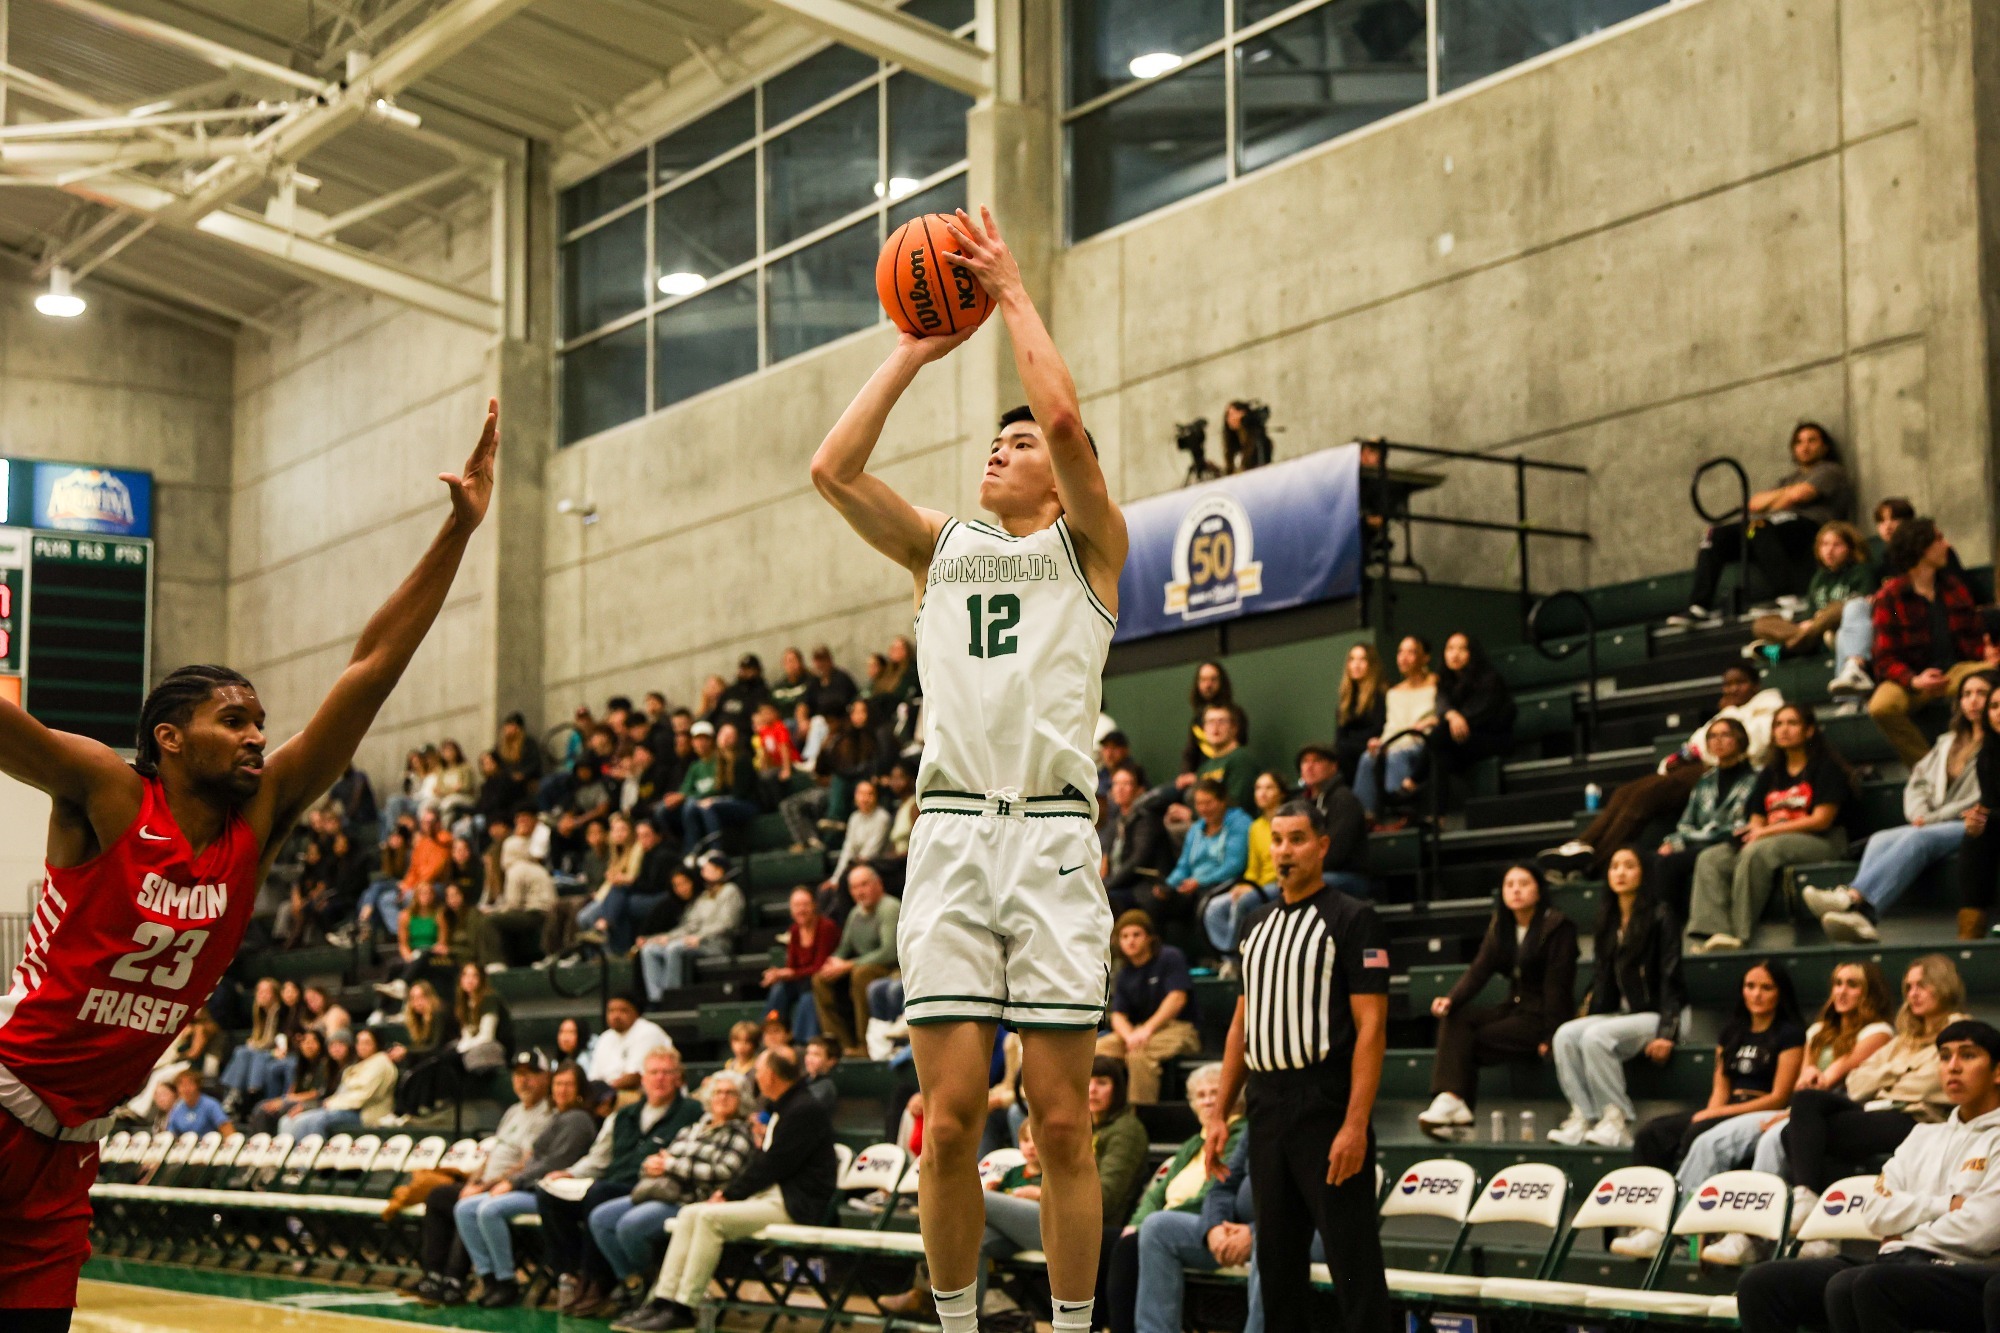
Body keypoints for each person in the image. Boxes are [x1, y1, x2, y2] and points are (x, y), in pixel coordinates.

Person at [0, 403, 497, 1331]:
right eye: (235, 719)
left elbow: (372, 664)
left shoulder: (260, 818)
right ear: (170, 738)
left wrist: (458, 531)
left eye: (261, 719)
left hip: (72, 1146)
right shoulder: (108, 793)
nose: (258, 734)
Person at [810, 206, 1126, 1333]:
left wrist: (1010, 294)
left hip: (1044, 838)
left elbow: (1070, 425)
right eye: (990, 440)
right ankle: (952, 1324)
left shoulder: (1088, 550)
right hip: (948, 837)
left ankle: (1076, 1326)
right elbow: (832, 466)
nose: (1002, 446)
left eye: (1018, 441)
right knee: (944, 1122)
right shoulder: (938, 550)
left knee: (1056, 1126)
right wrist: (914, 342)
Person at [1206, 800, 1391, 1333]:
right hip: (1265, 1106)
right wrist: (1220, 1114)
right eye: (1278, 840)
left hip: (1325, 1102)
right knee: (1276, 1264)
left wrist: (1355, 1123)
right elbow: (1241, 1025)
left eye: (1297, 839)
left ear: (1322, 846)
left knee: (1352, 1259)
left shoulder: (1354, 918)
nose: (1285, 851)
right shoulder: (1254, 924)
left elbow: (1372, 1029)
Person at [1734, 1019, 2000, 1333]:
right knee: (1762, 1283)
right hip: (1897, 1261)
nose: (1952, 1067)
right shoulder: (1921, 1135)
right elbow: (1875, 1213)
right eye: (1944, 1056)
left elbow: (1983, 1229)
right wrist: (1945, 1206)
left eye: (1967, 1056)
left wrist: (1906, 1234)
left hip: (1964, 1270)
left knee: (1865, 1285)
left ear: (1997, 1071)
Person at [1703, 959, 1951, 1265]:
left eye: (1921, 986)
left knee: (1794, 1132)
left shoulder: (1952, 1031)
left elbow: (1928, 1086)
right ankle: (1807, 1203)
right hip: (1871, 1108)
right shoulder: (1904, 1038)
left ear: (1943, 986)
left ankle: (1805, 1229)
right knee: (1805, 1106)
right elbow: (1859, 1082)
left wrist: (1887, 1076)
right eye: (1909, 987)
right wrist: (1897, 1075)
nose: (1913, 993)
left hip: (1916, 1119)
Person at [614, 1049, 839, 1332]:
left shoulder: (802, 1109)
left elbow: (772, 1166)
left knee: (709, 1218)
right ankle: (662, 1300)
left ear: (770, 1075)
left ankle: (684, 1307)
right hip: (773, 1196)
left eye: (758, 1071)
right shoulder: (786, 1106)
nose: (756, 1077)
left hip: (795, 1203)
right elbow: (769, 1164)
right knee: (690, 1214)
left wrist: (729, 1194)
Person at [1611, 958, 1805, 1258]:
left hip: (1762, 1111)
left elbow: (1779, 1097)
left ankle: (1671, 1229)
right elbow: (1720, 1090)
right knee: (1652, 1133)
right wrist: (1711, 1112)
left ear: (1780, 993)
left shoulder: (1790, 1034)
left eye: (1766, 988)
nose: (1756, 994)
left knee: (1702, 1131)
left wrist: (1713, 1116)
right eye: (1750, 986)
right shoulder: (1731, 1033)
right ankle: (1642, 1221)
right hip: (1727, 1107)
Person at [1540, 664, 1781, 878]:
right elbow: (1696, 744)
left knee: (1643, 797)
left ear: (1756, 685)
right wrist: (1679, 758)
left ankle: (1594, 861)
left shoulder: (1768, 709)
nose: (1731, 690)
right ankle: (1581, 844)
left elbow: (1754, 744)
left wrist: (1727, 720)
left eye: (1740, 683)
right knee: (1625, 791)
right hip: (1699, 767)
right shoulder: (1726, 713)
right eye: (1727, 685)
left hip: (1723, 768)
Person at [1806, 671, 1993, 942]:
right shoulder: (1946, 741)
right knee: (1881, 839)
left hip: (1972, 822)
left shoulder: (1994, 744)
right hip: (1933, 821)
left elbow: (1982, 795)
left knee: (1919, 837)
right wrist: (1919, 813)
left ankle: (1852, 899)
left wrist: (1932, 819)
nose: (1973, 701)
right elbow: (1918, 781)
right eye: (1966, 694)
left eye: (1981, 694)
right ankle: (1861, 915)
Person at [536, 1047, 701, 1315]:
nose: (659, 1078)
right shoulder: (623, 1114)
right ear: (643, 1079)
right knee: (549, 1195)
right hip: (613, 1182)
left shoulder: (692, 1113)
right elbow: (598, 1158)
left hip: (649, 1188)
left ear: (678, 1078)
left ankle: (599, 1280)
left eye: (667, 1073)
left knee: (598, 1194)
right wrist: (570, 1173)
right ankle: (572, 1273)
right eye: (654, 1072)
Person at [1416, 863, 1578, 1135]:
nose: (1516, 890)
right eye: (1509, 884)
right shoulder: (1502, 926)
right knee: (1456, 1016)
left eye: (1524, 883)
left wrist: (1551, 1036)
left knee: (1466, 1041)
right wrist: (1451, 1000)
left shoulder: (1557, 926)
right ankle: (1454, 1101)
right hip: (1514, 1007)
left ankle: (1458, 1104)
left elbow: (1557, 988)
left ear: (1539, 891)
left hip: (1540, 1017)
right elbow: (1479, 971)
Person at [1686, 702, 1855, 952]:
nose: (1784, 730)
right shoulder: (1770, 773)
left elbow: (1821, 820)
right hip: (1773, 838)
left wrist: (1763, 833)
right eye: (1778, 724)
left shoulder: (1825, 768)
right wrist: (1756, 830)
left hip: (1823, 840)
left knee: (1759, 851)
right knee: (1712, 858)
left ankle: (1740, 935)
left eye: (1792, 723)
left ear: (1809, 731)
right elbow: (1756, 817)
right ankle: (1714, 933)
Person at [1548, 848, 1686, 1148]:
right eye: (1614, 866)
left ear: (1643, 873)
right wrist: (1585, 1014)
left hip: (1660, 1013)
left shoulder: (1661, 914)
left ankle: (1616, 1119)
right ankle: (1584, 1115)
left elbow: (1670, 976)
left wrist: (1668, 1031)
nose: (1620, 873)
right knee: (1566, 1035)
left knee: (1596, 1037)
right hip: (1622, 1015)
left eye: (1629, 866)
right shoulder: (1608, 920)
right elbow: (1601, 979)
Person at [593, 1072, 757, 1314]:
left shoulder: (740, 1133)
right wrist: (651, 1165)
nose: (722, 1097)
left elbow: (723, 1172)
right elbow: (663, 1157)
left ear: (742, 1098)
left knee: (630, 1226)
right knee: (601, 1218)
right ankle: (635, 1281)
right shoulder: (692, 1129)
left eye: (730, 1093)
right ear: (709, 1098)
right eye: (718, 1092)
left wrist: (671, 1166)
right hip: (658, 1191)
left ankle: (654, 1280)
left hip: (691, 1201)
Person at [416, 1052, 568, 1307]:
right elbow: (492, 1154)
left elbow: (527, 1164)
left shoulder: (548, 1115)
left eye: (530, 1075)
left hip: (513, 1188)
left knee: (468, 1206)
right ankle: (433, 1274)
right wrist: (473, 1182)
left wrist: (483, 1187)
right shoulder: (512, 1111)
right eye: (518, 1075)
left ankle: (456, 1279)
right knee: (439, 1196)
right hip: (489, 1184)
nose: (523, 1081)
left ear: (546, 1078)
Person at [1105, 1064, 1246, 1333]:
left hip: (1205, 1225)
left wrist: (1156, 1222)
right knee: (1101, 1242)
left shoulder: (1239, 1135)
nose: (1207, 1100)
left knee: (1129, 1246)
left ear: (1233, 1095)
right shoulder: (1195, 1142)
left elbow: (1219, 1192)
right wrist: (1137, 1222)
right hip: (1164, 1222)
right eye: (1200, 1095)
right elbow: (1157, 1192)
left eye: (1215, 1092)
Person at [1669, 420, 1853, 623]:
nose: (1805, 446)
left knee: (1757, 526)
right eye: (1799, 442)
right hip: (1768, 531)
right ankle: (1699, 606)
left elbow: (1800, 495)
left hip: (1811, 528)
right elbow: (1755, 504)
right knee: (1715, 535)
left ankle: (1787, 595)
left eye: (1812, 441)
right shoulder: (1789, 479)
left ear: (1824, 446)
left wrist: (1777, 499)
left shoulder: (1830, 471)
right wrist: (1785, 494)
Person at [1867, 517, 1988, 766]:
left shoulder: (1953, 587)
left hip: (1956, 670)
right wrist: (1914, 680)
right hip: (1912, 677)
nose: (1946, 544)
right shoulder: (1891, 598)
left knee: (1990, 676)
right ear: (1922, 548)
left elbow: (1974, 638)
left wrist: (1986, 657)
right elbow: (1884, 659)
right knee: (1881, 706)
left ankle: (1982, 756)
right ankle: (1927, 767)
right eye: (1939, 539)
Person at [1647, 717, 1758, 917]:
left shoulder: (1755, 779)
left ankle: (1666, 926)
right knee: (1654, 858)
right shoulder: (1705, 781)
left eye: (1725, 735)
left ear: (1740, 739)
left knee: (1669, 863)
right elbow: (1685, 824)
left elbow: (1741, 827)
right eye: (1712, 736)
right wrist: (1673, 841)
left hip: (1730, 845)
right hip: (1700, 844)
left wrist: (1691, 838)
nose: (1718, 741)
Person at [1096, 911, 1200, 1105]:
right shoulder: (1125, 971)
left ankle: (1139, 1118)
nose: (1130, 941)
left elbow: (1177, 998)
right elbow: (1118, 1015)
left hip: (1179, 1028)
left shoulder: (1170, 957)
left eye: (1137, 935)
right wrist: (1129, 1036)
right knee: (1096, 1049)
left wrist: (1146, 1030)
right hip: (1137, 1031)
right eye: (1125, 936)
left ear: (1150, 937)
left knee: (1139, 1055)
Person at [1202, 771, 1290, 972]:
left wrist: (1250, 890)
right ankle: (1230, 959)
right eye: (1258, 788)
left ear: (1282, 793)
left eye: (1269, 788)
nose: (1263, 793)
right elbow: (1253, 868)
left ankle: (1236, 959)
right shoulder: (1256, 827)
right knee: (1214, 907)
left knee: (1243, 902)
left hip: (1281, 883)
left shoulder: (1289, 822)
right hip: (1259, 884)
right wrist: (1244, 885)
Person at [1749, 520, 1876, 657]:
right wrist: (1810, 624)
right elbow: (1809, 613)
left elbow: (1862, 606)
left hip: (1840, 628)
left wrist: (1819, 620)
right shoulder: (1819, 577)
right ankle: (1805, 643)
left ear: (1850, 548)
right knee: (1760, 624)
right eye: (1825, 544)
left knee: (1837, 609)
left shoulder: (1861, 572)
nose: (1829, 550)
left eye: (1837, 545)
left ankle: (1786, 650)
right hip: (1817, 631)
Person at [810, 865, 900, 1051]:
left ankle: (864, 1044)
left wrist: (849, 965)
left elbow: (890, 952)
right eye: (854, 887)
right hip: (864, 966)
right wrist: (832, 965)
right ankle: (839, 1045)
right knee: (820, 979)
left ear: (878, 884)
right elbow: (843, 949)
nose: (859, 891)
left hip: (893, 968)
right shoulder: (855, 914)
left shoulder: (889, 908)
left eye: (864, 885)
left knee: (861, 974)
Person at [638, 852, 744, 1002]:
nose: (702, 872)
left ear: (719, 870)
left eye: (706, 868)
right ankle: (656, 998)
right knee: (650, 949)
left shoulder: (730, 891)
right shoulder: (704, 896)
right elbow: (689, 926)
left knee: (674, 948)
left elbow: (727, 923)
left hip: (717, 944)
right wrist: (664, 937)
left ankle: (672, 997)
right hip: (695, 942)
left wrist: (699, 937)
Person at [1354, 634, 1437, 820]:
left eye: (1411, 652)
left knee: (1397, 754)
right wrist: (1380, 742)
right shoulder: (1394, 692)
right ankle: (1366, 817)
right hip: (1396, 741)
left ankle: (1399, 814)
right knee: (1368, 757)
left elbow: (1443, 716)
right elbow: (1392, 726)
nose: (1404, 657)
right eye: (1400, 652)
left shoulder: (1436, 684)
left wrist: (1430, 722)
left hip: (1422, 743)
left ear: (1425, 657)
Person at [1429, 632, 1517, 780]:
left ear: (1473, 653)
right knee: (1442, 758)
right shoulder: (1445, 681)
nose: (1454, 654)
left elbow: (1478, 715)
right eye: (1450, 649)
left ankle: (1411, 783)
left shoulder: (1489, 679)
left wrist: (1452, 717)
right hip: (1462, 740)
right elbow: (1442, 704)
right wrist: (1452, 715)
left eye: (1462, 649)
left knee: (1441, 733)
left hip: (1492, 738)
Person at [281, 1027, 398, 1138]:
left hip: (363, 1113)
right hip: (344, 1108)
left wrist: (329, 1104)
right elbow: (341, 1094)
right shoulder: (360, 1065)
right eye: (359, 1043)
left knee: (314, 1120)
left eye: (366, 1043)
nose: (361, 1047)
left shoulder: (380, 1063)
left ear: (376, 1044)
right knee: (289, 1120)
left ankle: (315, 1156)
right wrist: (325, 1104)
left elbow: (361, 1098)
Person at [1294, 744, 1370, 896]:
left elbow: (1336, 852)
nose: (1309, 767)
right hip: (1311, 872)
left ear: (1333, 767)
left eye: (1317, 761)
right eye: (1305, 762)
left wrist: (1303, 871)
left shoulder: (1345, 800)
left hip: (1346, 876)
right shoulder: (1299, 803)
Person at [761, 887, 835, 1039]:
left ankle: (803, 1042)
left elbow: (819, 967)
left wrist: (788, 973)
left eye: (805, 904)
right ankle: (768, 1034)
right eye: (796, 906)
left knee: (807, 998)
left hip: (822, 982)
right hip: (801, 981)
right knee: (779, 989)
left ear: (814, 905)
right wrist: (778, 974)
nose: (801, 910)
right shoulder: (794, 930)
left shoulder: (826, 927)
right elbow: (792, 966)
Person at [1957, 685, 2000, 938]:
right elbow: (1990, 802)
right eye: (1993, 706)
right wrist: (1976, 821)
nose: (1998, 713)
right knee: (1974, 839)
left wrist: (1987, 816)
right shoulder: (1988, 755)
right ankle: (1969, 935)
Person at [1102, 765, 1173, 914]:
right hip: (1118, 885)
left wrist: (1107, 885)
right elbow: (1106, 858)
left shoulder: (1147, 819)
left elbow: (1138, 860)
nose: (1119, 789)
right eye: (1116, 784)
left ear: (1140, 789)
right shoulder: (1115, 822)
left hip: (1143, 888)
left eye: (1126, 784)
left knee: (1106, 901)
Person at [249, 1028, 339, 1135]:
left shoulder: (325, 1064)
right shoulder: (301, 1065)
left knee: (265, 1112)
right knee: (261, 1106)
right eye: (305, 1042)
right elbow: (292, 1090)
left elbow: (317, 1093)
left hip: (315, 1102)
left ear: (320, 1045)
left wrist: (287, 1100)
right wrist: (281, 1100)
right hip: (295, 1099)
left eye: (312, 1042)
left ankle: (266, 1143)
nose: (308, 1045)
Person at [590, 996, 674, 1099]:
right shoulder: (605, 1038)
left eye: (623, 1011)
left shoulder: (648, 1032)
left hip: (645, 1096)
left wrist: (604, 1093)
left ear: (636, 1013)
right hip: (609, 1096)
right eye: (611, 1011)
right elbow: (594, 1078)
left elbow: (634, 1078)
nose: (616, 1015)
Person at [1334, 643, 1387, 780]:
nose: (1356, 665)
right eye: (1352, 659)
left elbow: (1378, 728)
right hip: (1347, 751)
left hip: (1372, 748)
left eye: (1362, 660)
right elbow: (1339, 735)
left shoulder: (1381, 694)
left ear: (1371, 664)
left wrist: (1351, 740)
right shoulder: (1345, 698)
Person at [163, 1069, 232, 1138]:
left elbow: (227, 1130)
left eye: (189, 1084)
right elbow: (170, 1135)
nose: (186, 1089)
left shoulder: (211, 1105)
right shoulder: (177, 1108)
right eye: (181, 1085)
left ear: (197, 1085)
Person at [802, 1036, 843, 1112]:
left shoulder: (826, 1087)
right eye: (808, 1053)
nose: (809, 1059)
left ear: (831, 1061)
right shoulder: (804, 1080)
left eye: (816, 1055)